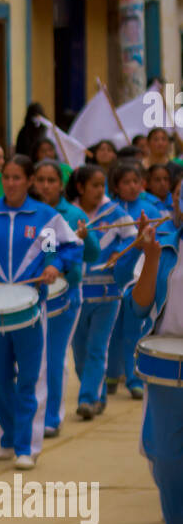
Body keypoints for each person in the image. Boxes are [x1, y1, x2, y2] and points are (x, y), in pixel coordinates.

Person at [0, 155, 83, 468]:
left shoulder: (44, 218)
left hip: (30, 309)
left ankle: (27, 445)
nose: (11, 183)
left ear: (29, 181)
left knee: (30, 379)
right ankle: (9, 435)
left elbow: (66, 248)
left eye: (17, 177)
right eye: (6, 177)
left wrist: (54, 265)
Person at [130, 200, 183, 524]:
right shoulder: (162, 244)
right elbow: (138, 304)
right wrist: (149, 256)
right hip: (167, 362)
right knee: (164, 456)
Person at [30, 159, 98, 436]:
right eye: (41, 179)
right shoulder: (30, 213)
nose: (46, 185)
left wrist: (84, 238)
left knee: (54, 357)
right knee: (35, 360)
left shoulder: (73, 213)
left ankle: (51, 418)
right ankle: (34, 414)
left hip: (67, 296)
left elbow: (92, 255)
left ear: (61, 184)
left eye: (51, 180)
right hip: (33, 297)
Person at [67, 163, 137, 420]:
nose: (100, 190)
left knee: (97, 347)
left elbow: (132, 235)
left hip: (107, 291)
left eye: (102, 185)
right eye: (94, 185)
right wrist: (52, 261)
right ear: (80, 187)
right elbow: (48, 242)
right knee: (79, 353)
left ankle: (87, 399)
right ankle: (98, 396)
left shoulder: (114, 211)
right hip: (74, 293)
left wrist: (122, 252)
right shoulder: (66, 212)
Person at [106, 159, 169, 401]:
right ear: (116, 185)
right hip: (111, 278)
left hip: (137, 277)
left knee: (134, 328)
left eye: (135, 181)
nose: (132, 186)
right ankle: (111, 374)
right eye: (126, 182)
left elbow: (159, 242)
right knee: (113, 329)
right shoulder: (110, 210)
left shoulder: (150, 211)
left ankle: (134, 379)